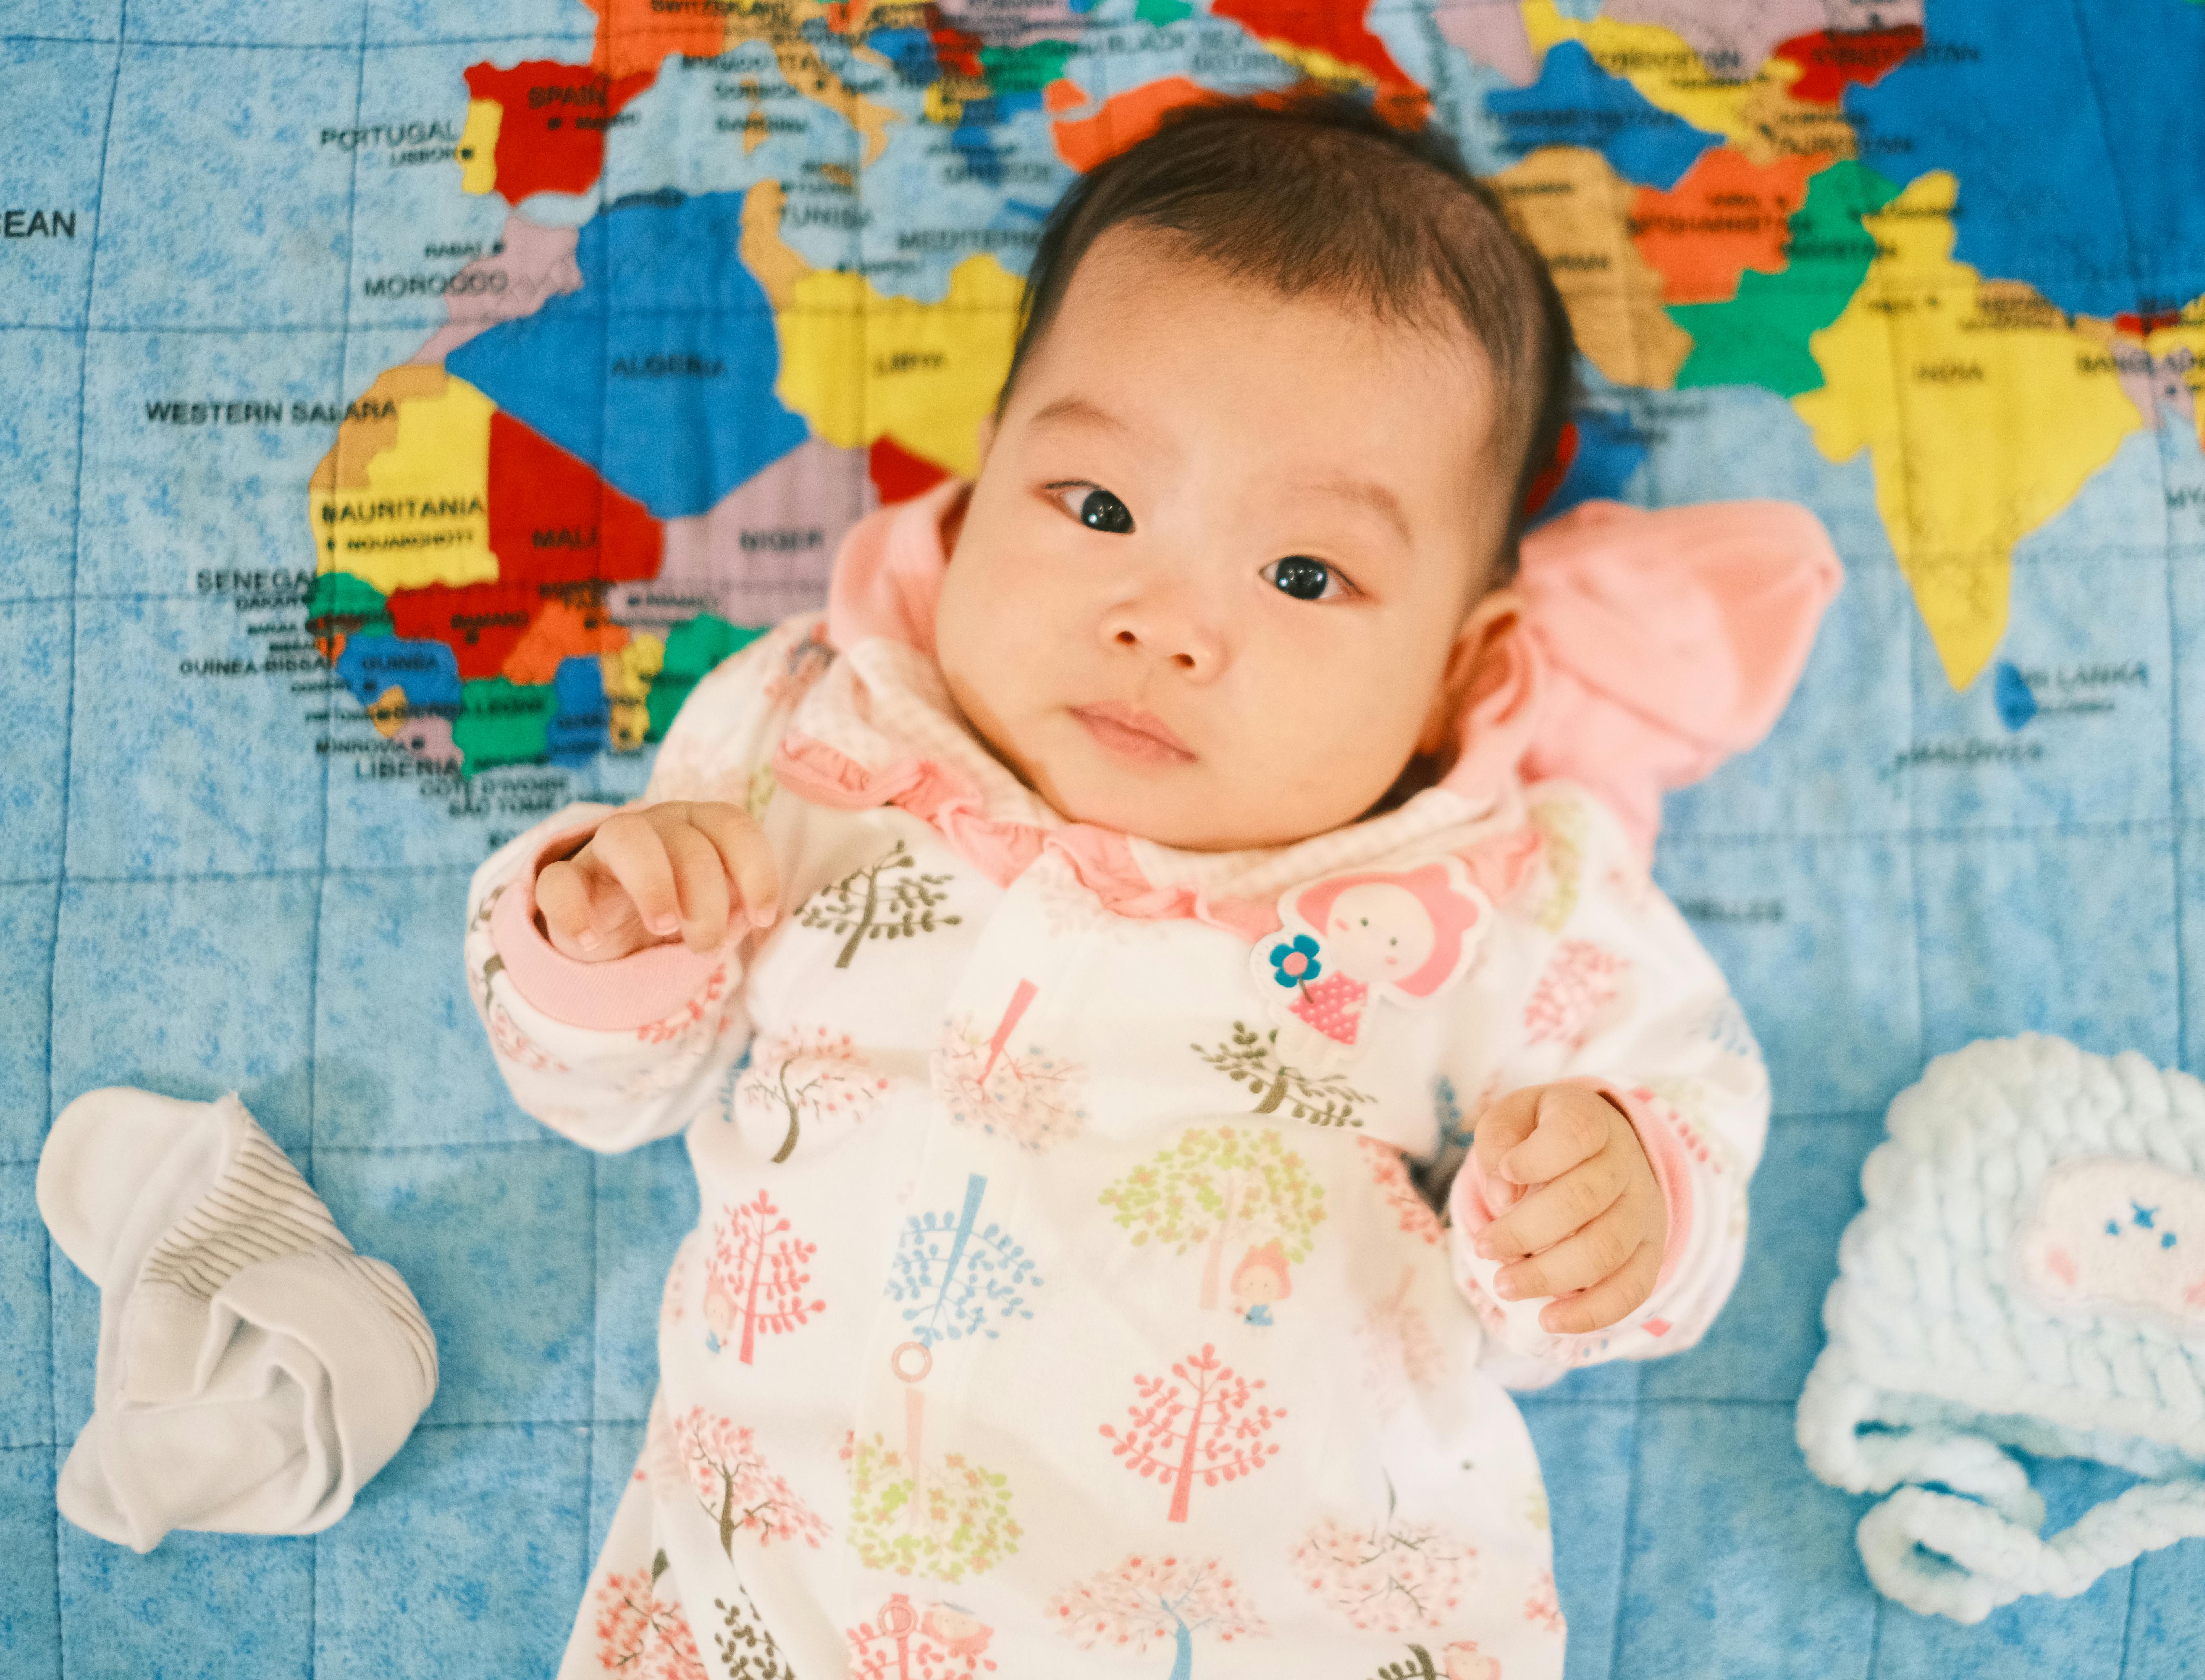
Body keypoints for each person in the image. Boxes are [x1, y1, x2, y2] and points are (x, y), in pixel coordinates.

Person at [463, 93, 1840, 1677]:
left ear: (1458, 671)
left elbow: (1677, 1115)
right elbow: (605, 1087)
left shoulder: (1495, 894)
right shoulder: (822, 745)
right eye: (1099, 506)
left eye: (1305, 574)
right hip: (781, 1608)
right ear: (979, 487)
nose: (1164, 624)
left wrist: (1615, 1205)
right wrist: (603, 931)